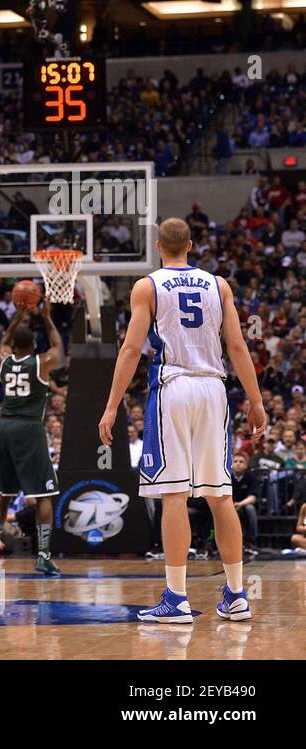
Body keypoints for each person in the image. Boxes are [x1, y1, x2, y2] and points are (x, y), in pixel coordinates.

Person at [99, 218, 266, 624]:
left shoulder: (147, 286)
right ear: (190, 245)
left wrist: (110, 405)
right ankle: (237, 594)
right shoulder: (219, 285)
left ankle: (176, 599)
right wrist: (256, 401)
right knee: (219, 495)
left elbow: (131, 349)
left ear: (159, 246)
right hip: (213, 387)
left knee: (174, 494)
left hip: (173, 387)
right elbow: (238, 346)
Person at [0, 300, 64, 576]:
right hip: (28, 428)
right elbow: (58, 349)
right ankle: (43, 555)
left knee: (4, 493)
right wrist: (47, 319)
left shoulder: (5, 361)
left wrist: (17, 316)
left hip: (3, 427)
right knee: (44, 495)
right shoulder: (41, 362)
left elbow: (3, 341)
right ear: (33, 345)